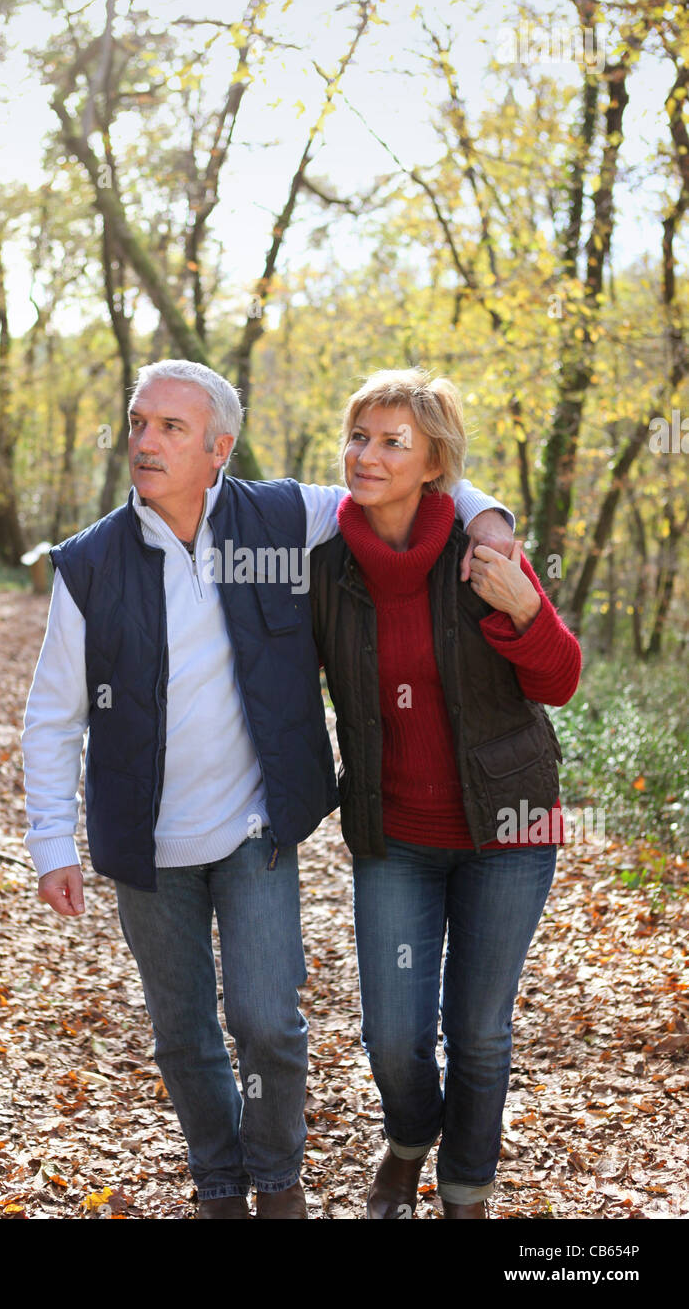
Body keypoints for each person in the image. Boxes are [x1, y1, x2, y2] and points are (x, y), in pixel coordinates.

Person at [21, 358, 515, 1219]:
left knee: (268, 1022)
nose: (145, 441)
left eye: (171, 428)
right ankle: (221, 1187)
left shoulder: (280, 516)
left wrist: (492, 517)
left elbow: (395, 481)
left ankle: (278, 1182)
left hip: (254, 827)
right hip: (143, 842)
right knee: (183, 1034)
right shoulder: (90, 565)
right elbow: (53, 718)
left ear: (220, 447)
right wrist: (52, 844)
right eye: (138, 423)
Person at [309, 367, 581, 1220]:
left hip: (508, 825)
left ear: (436, 466)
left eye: (394, 442)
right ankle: (408, 1138)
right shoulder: (325, 565)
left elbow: (562, 679)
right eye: (360, 436)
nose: (369, 455)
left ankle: (466, 1191)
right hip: (397, 834)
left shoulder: (484, 553)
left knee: (480, 1033)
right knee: (393, 1039)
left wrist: (528, 614)